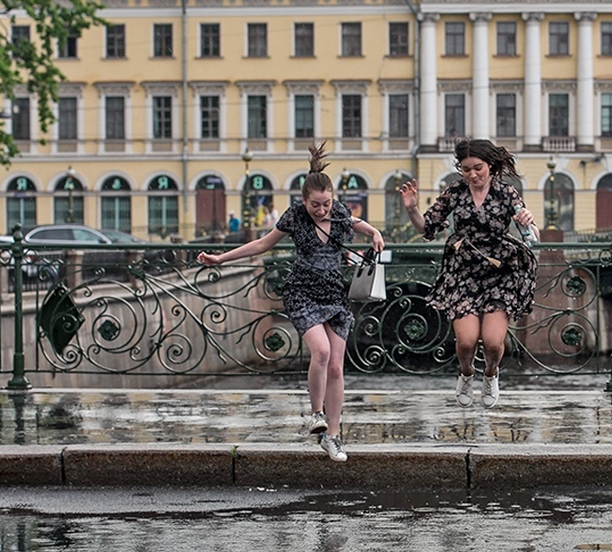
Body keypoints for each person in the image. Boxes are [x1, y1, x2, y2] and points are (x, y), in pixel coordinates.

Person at [198, 142, 384, 461]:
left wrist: (375, 232)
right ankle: (315, 414)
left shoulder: (338, 212)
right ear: (304, 200)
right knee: (322, 351)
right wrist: (221, 259)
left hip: (334, 294)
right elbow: (261, 244)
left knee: (337, 368)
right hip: (302, 292)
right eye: (316, 205)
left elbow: (358, 225)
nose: (322, 210)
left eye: (326, 204)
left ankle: (333, 436)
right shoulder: (295, 216)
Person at [398, 138, 538, 409]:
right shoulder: (455, 192)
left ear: (491, 166)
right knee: (466, 342)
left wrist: (529, 222)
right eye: (466, 169)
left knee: (494, 343)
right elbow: (427, 229)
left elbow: (532, 237)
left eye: (478, 168)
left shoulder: (507, 193)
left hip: (500, 273)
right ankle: (466, 374)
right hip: (463, 273)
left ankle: (490, 373)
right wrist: (411, 208)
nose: (472, 174)